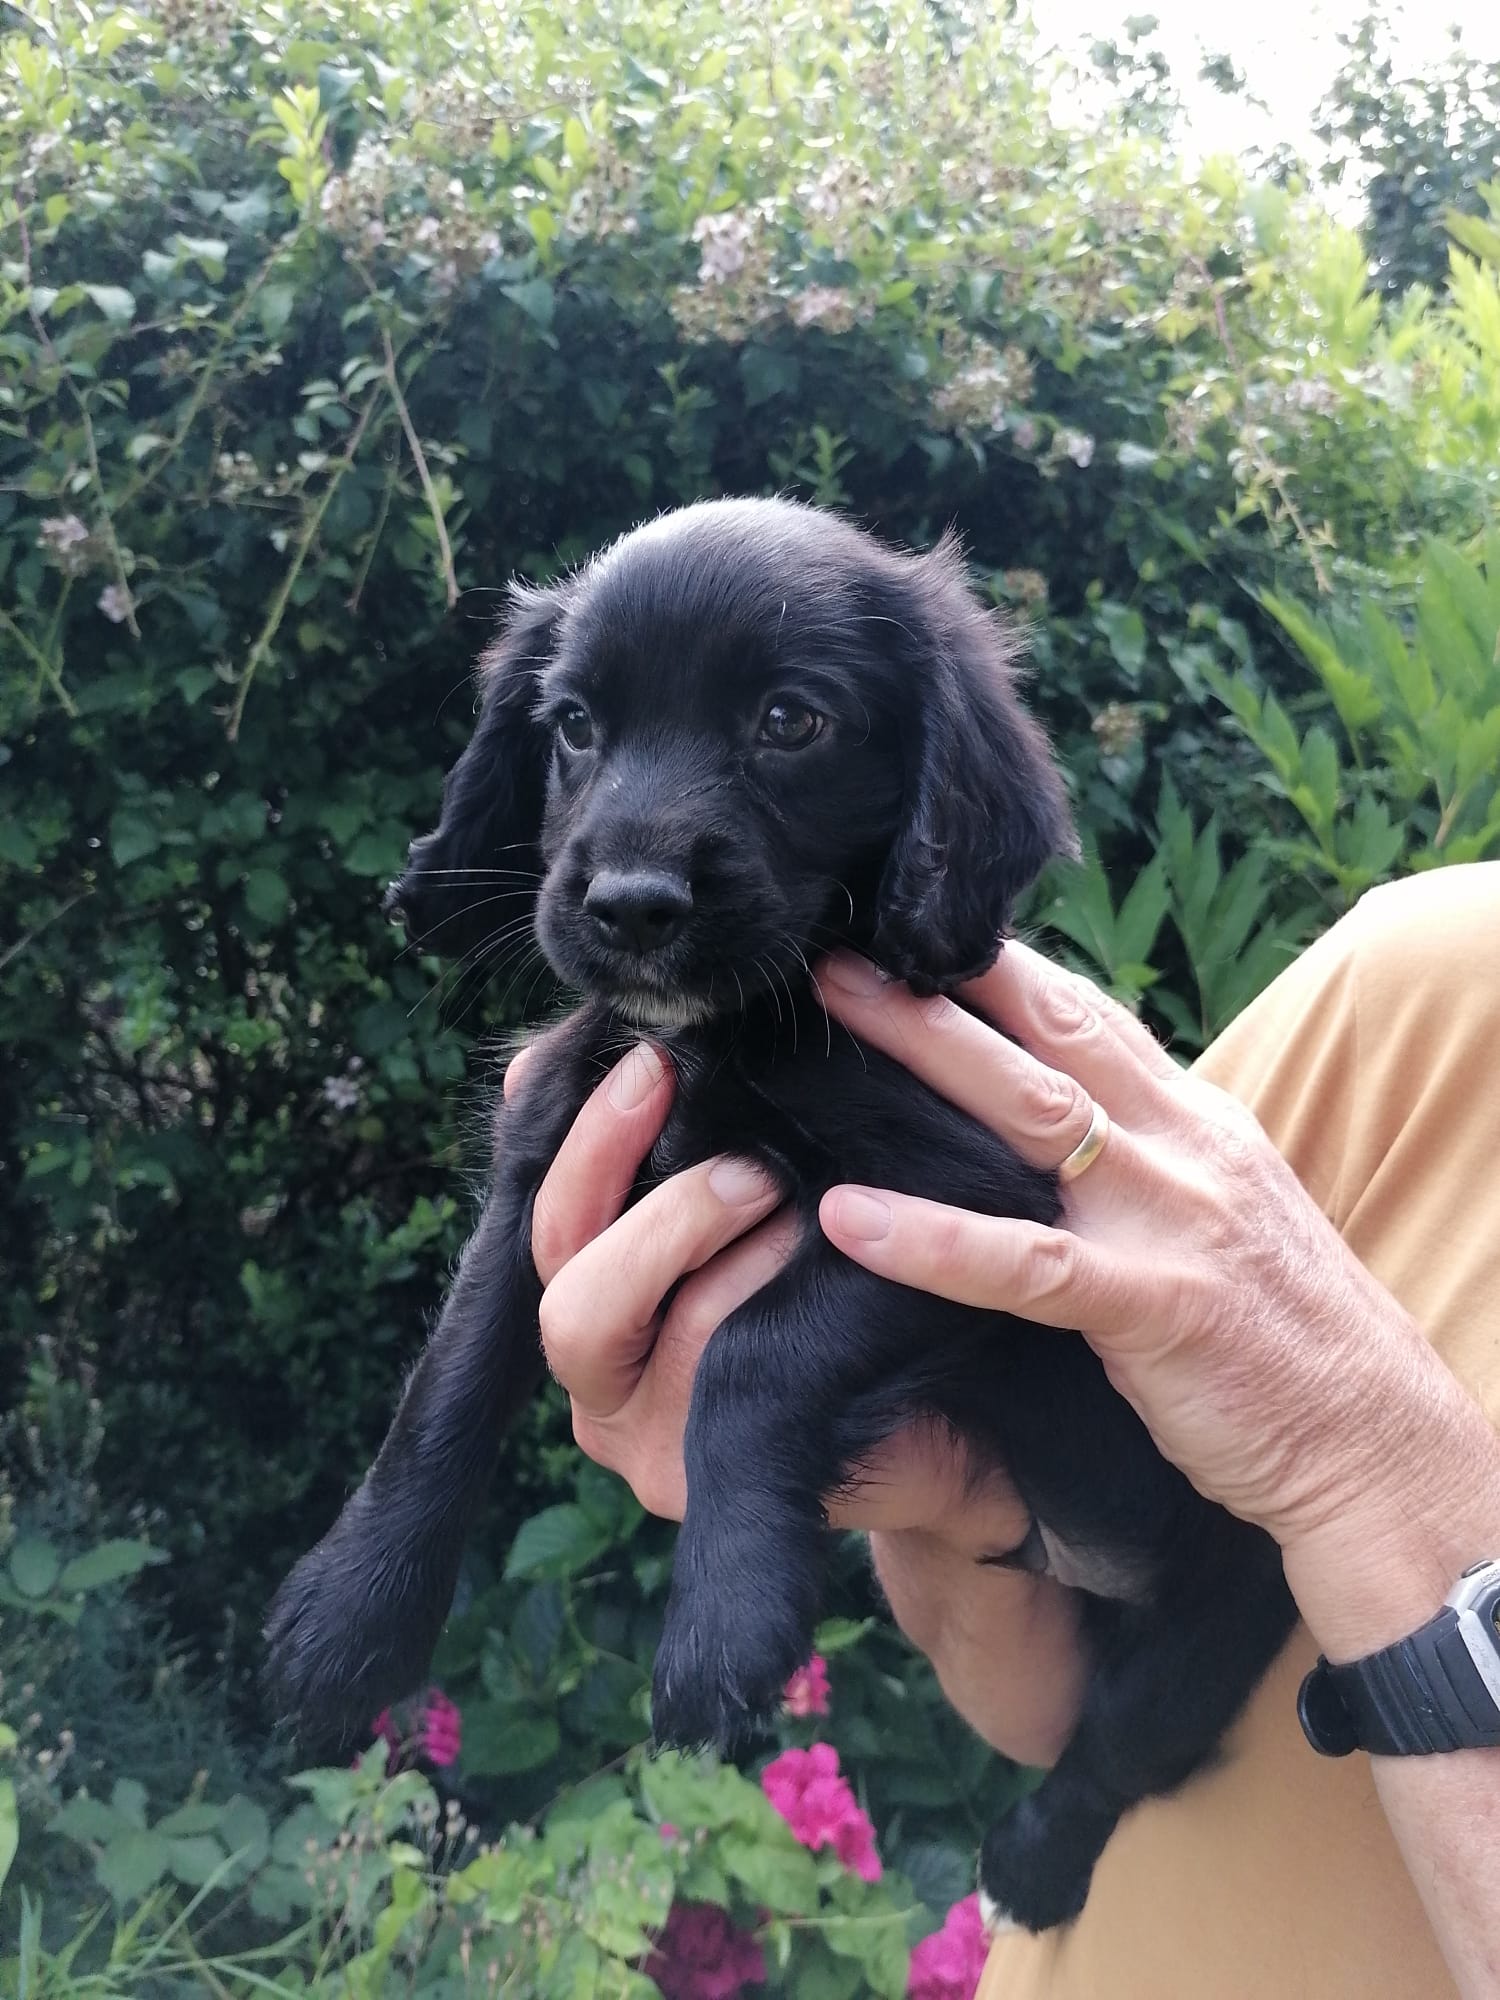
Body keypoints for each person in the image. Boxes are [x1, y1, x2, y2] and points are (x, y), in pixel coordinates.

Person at [508, 861, 1500, 1998]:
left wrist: (1362, 1462)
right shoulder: (1431, 985)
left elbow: (1292, 1472)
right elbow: (1043, 1695)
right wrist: (951, 1490)